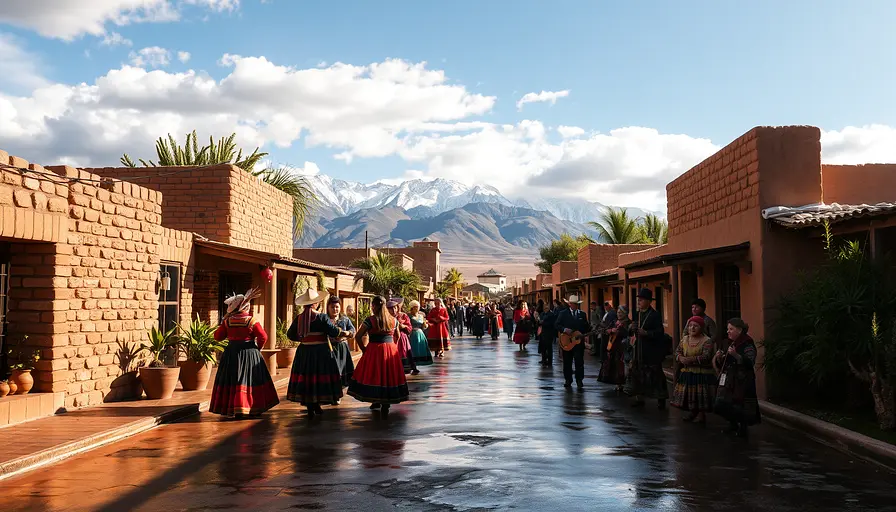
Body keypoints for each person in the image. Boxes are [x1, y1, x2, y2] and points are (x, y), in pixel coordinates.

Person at [209, 288, 280, 418]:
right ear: (246, 306)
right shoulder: (251, 321)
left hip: (231, 354)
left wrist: (224, 322)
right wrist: (258, 348)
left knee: (232, 381)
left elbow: (217, 337)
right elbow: (263, 336)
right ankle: (252, 406)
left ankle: (234, 407)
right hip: (249, 353)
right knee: (251, 380)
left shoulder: (227, 321)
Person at [286, 289, 348, 418]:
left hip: (304, 352)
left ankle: (311, 406)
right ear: (316, 303)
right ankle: (316, 404)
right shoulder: (321, 317)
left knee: (308, 379)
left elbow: (290, 334)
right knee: (319, 378)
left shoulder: (299, 318)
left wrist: (304, 338)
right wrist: (345, 333)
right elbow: (333, 332)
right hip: (321, 353)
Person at [348, 295, 409, 417]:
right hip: (390, 349)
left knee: (375, 375)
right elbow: (397, 336)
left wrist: (364, 349)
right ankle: (385, 404)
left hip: (374, 350)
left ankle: (376, 400)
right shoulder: (394, 320)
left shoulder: (370, 320)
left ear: (374, 306)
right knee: (388, 376)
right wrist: (393, 347)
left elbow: (358, 336)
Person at [713, 318, 761, 437]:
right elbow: (724, 362)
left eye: (731, 329)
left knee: (740, 405)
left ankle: (742, 428)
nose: (728, 331)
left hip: (742, 380)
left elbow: (750, 362)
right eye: (727, 329)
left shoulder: (747, 343)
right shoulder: (729, 342)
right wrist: (719, 358)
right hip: (729, 380)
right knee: (721, 404)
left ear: (739, 330)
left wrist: (736, 355)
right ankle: (733, 423)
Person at [625, 288, 669, 409]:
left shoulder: (655, 315)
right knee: (638, 373)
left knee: (656, 375)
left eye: (642, 300)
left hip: (651, 350)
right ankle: (639, 397)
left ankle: (661, 398)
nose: (639, 302)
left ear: (649, 301)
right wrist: (631, 328)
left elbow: (660, 332)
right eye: (638, 300)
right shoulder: (636, 314)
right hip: (638, 349)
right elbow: (630, 332)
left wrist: (647, 333)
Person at [671, 316, 715, 423]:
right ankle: (692, 412)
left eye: (696, 326)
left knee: (700, 396)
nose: (692, 328)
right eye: (690, 326)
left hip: (701, 373)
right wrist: (680, 358)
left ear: (701, 328)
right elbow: (677, 352)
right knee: (690, 395)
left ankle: (701, 414)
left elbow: (706, 357)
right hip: (687, 372)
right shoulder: (685, 339)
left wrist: (690, 360)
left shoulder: (707, 341)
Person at [555, 295, 591, 389]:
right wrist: (564, 329)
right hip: (567, 341)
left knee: (579, 362)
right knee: (567, 362)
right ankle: (568, 380)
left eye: (576, 304)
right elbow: (557, 325)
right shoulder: (563, 314)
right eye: (573, 304)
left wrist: (587, 330)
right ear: (570, 304)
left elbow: (586, 328)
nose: (575, 306)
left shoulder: (582, 314)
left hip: (578, 342)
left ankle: (579, 380)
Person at [597, 305, 631, 393]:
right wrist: (609, 331)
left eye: (621, 312)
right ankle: (618, 384)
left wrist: (620, 331)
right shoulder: (614, 322)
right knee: (614, 367)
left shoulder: (628, 323)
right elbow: (605, 329)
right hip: (613, 347)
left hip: (623, 348)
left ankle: (625, 384)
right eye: (618, 312)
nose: (619, 314)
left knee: (623, 368)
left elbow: (628, 334)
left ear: (625, 314)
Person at [325, 296, 356, 389]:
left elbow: (353, 331)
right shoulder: (324, 319)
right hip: (328, 349)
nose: (335, 309)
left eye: (337, 307)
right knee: (330, 372)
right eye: (332, 307)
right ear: (328, 308)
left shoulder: (345, 319)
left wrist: (347, 333)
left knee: (342, 372)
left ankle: (339, 392)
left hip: (342, 349)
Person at [388, 297, 419, 375]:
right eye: (391, 308)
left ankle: (410, 367)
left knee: (406, 352)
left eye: (395, 307)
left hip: (402, 338)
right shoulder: (387, 317)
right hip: (391, 338)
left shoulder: (403, 315)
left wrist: (404, 326)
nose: (394, 310)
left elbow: (409, 327)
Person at [407, 300, 434, 367]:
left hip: (420, 334)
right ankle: (413, 365)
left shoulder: (421, 315)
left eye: (418, 307)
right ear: (412, 307)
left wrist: (425, 325)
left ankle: (419, 363)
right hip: (412, 334)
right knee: (413, 350)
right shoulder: (408, 316)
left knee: (420, 349)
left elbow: (424, 327)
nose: (417, 308)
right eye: (415, 307)